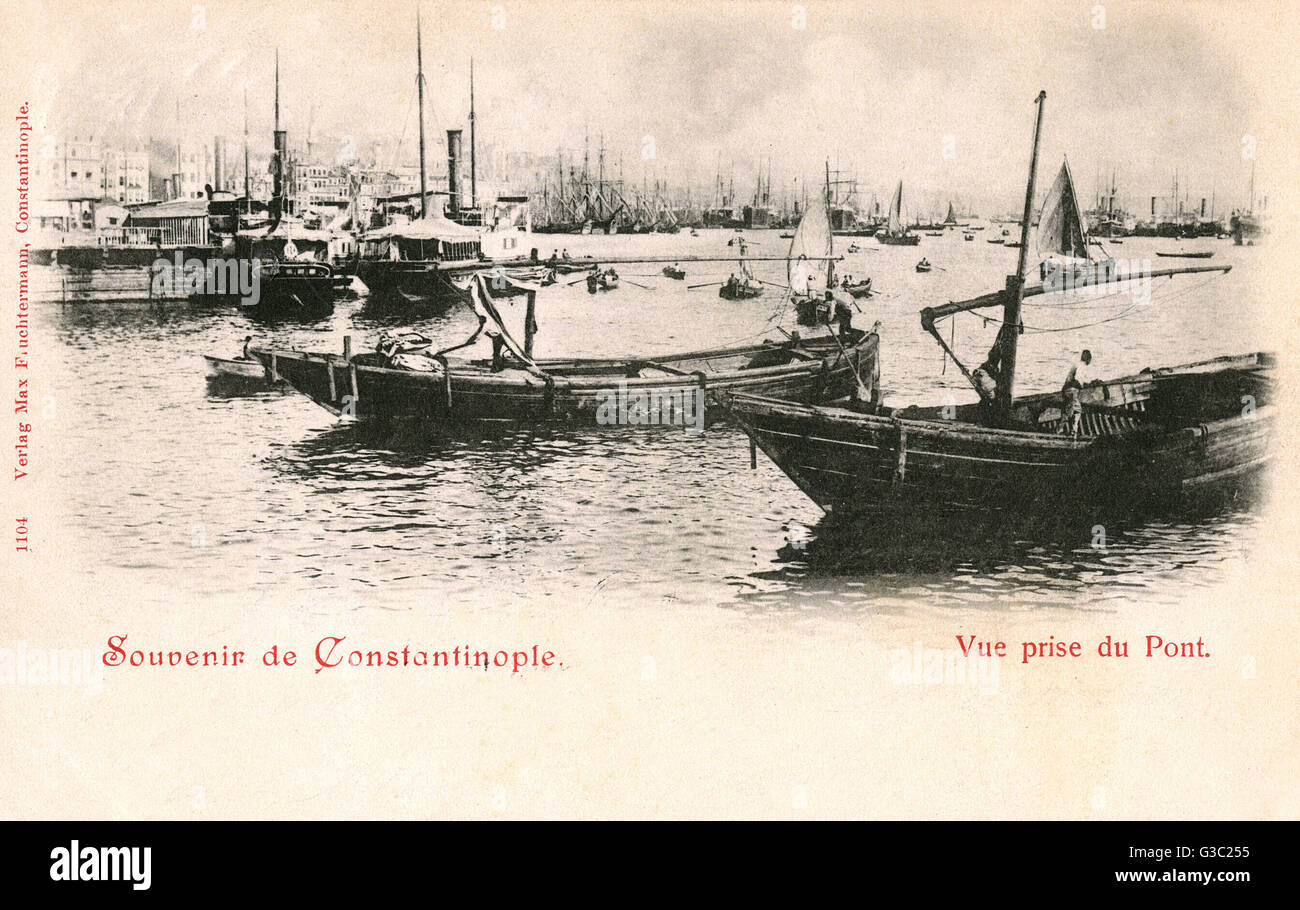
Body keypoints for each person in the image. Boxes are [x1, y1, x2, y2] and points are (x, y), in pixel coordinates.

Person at [1060, 349, 1093, 437]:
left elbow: (1072, 378)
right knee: (1077, 410)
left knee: (1068, 409)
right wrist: (1085, 385)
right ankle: (1073, 431)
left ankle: (1060, 429)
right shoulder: (1082, 366)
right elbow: (1077, 380)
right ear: (1088, 359)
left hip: (1066, 389)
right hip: (1072, 390)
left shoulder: (1076, 364)